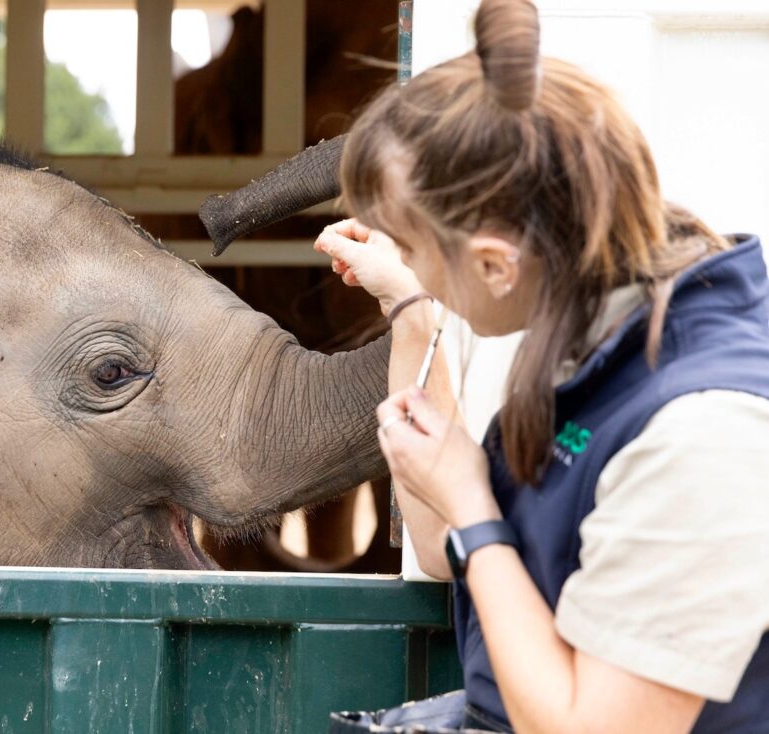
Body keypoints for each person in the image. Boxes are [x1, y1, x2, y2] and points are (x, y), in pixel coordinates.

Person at [314, 0, 769, 732]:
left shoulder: (702, 431)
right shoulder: (595, 337)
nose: (409, 264)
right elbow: (443, 553)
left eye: (411, 245)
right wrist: (409, 306)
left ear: (496, 264)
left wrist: (472, 503)